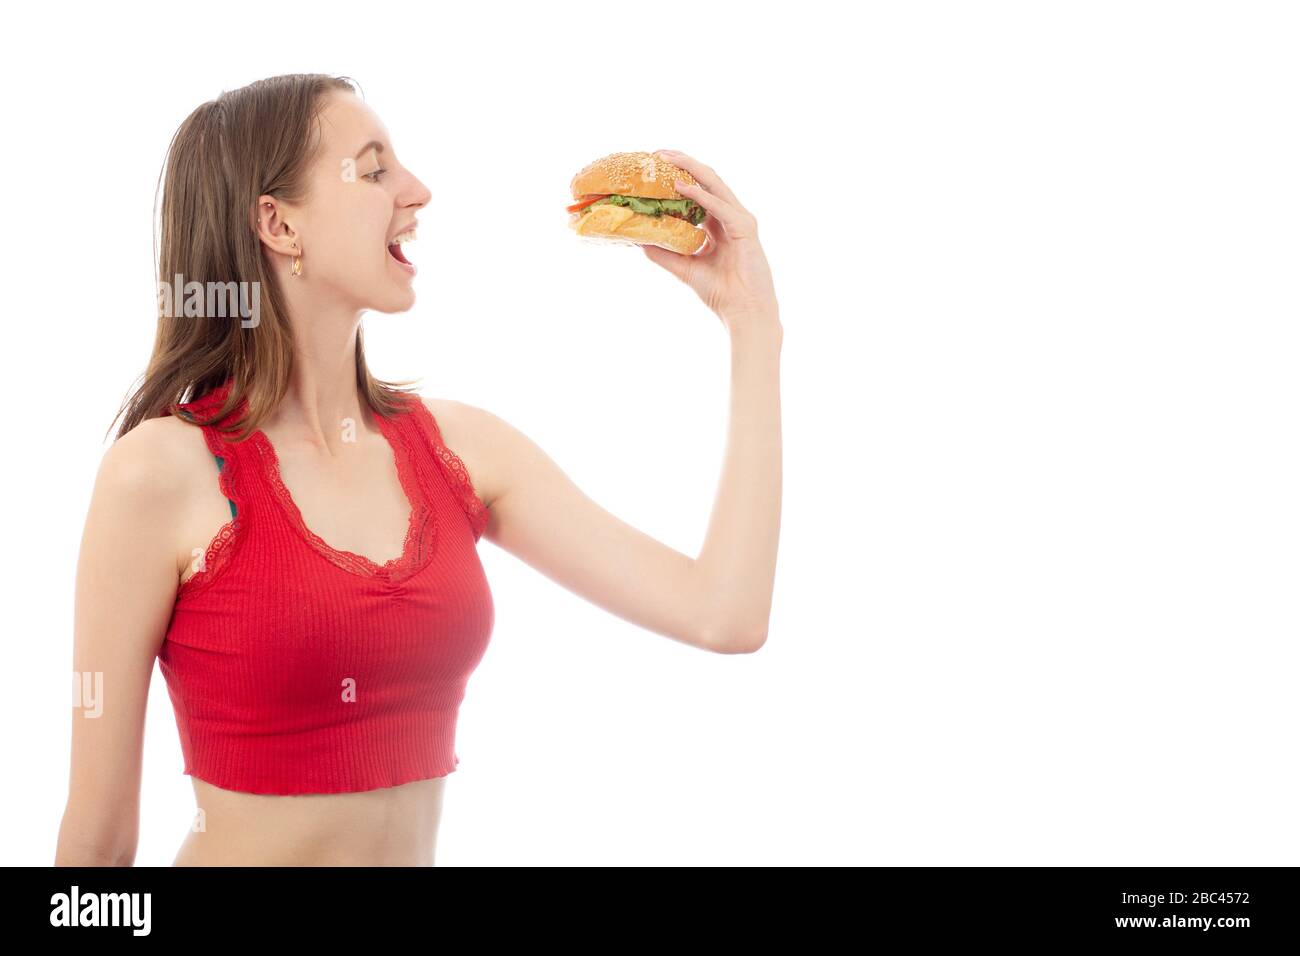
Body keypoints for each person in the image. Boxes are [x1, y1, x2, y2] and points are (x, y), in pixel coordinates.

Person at [54, 73, 783, 867]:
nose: (417, 191)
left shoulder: (463, 452)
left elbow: (725, 614)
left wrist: (753, 326)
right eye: (373, 171)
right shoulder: (159, 474)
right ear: (277, 223)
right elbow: (96, 844)